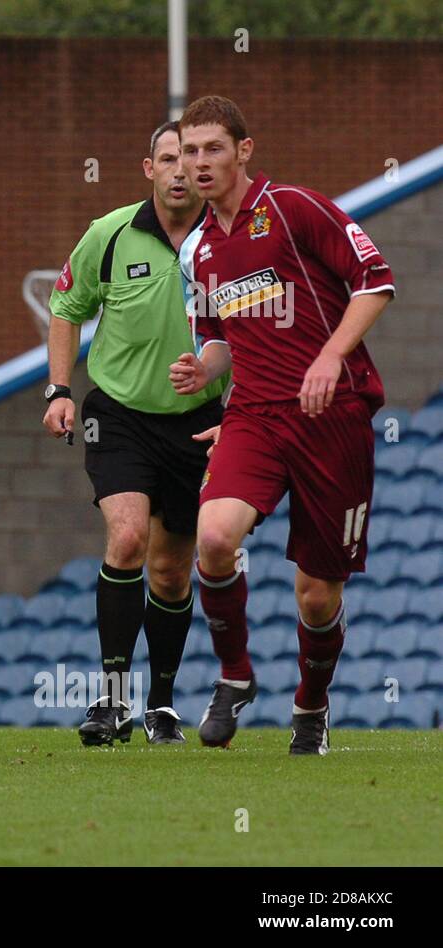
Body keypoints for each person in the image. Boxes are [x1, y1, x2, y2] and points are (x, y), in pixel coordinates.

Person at [173, 96, 395, 755]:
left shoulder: (296, 208)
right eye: (190, 150)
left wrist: (331, 356)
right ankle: (236, 676)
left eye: (214, 148)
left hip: (335, 418)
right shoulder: (200, 250)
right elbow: (221, 340)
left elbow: (376, 281)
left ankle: (311, 707)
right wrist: (204, 372)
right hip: (254, 417)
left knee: (316, 593)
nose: (200, 162)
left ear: (244, 151)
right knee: (213, 537)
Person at [43, 121, 227, 746]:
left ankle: (162, 705)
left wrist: (241, 411)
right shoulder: (111, 233)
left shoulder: (226, 239)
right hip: (118, 414)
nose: (181, 170)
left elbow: (259, 331)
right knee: (125, 540)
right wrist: (60, 389)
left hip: (199, 423)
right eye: (168, 158)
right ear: (148, 168)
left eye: (192, 158)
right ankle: (111, 700)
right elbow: (66, 308)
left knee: (172, 573)